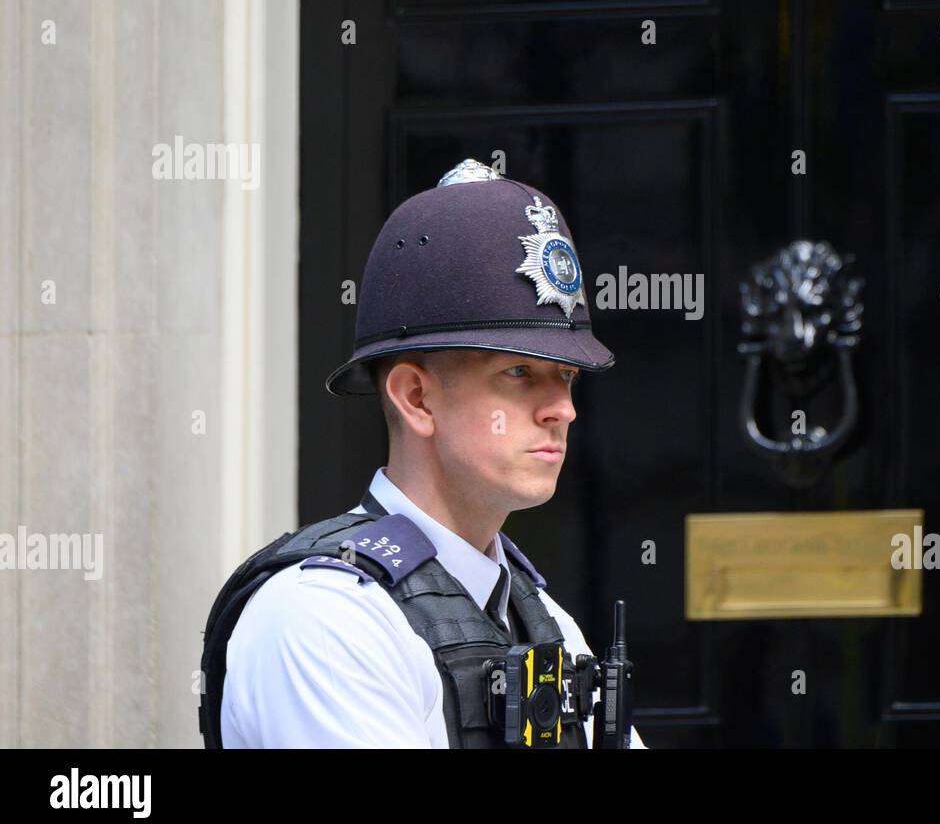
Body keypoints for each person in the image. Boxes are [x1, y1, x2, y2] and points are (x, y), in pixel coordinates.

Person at [204, 158, 647, 748]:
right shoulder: (324, 618)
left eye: (565, 376)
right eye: (519, 373)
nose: (561, 409)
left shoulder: (543, 619)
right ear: (416, 397)